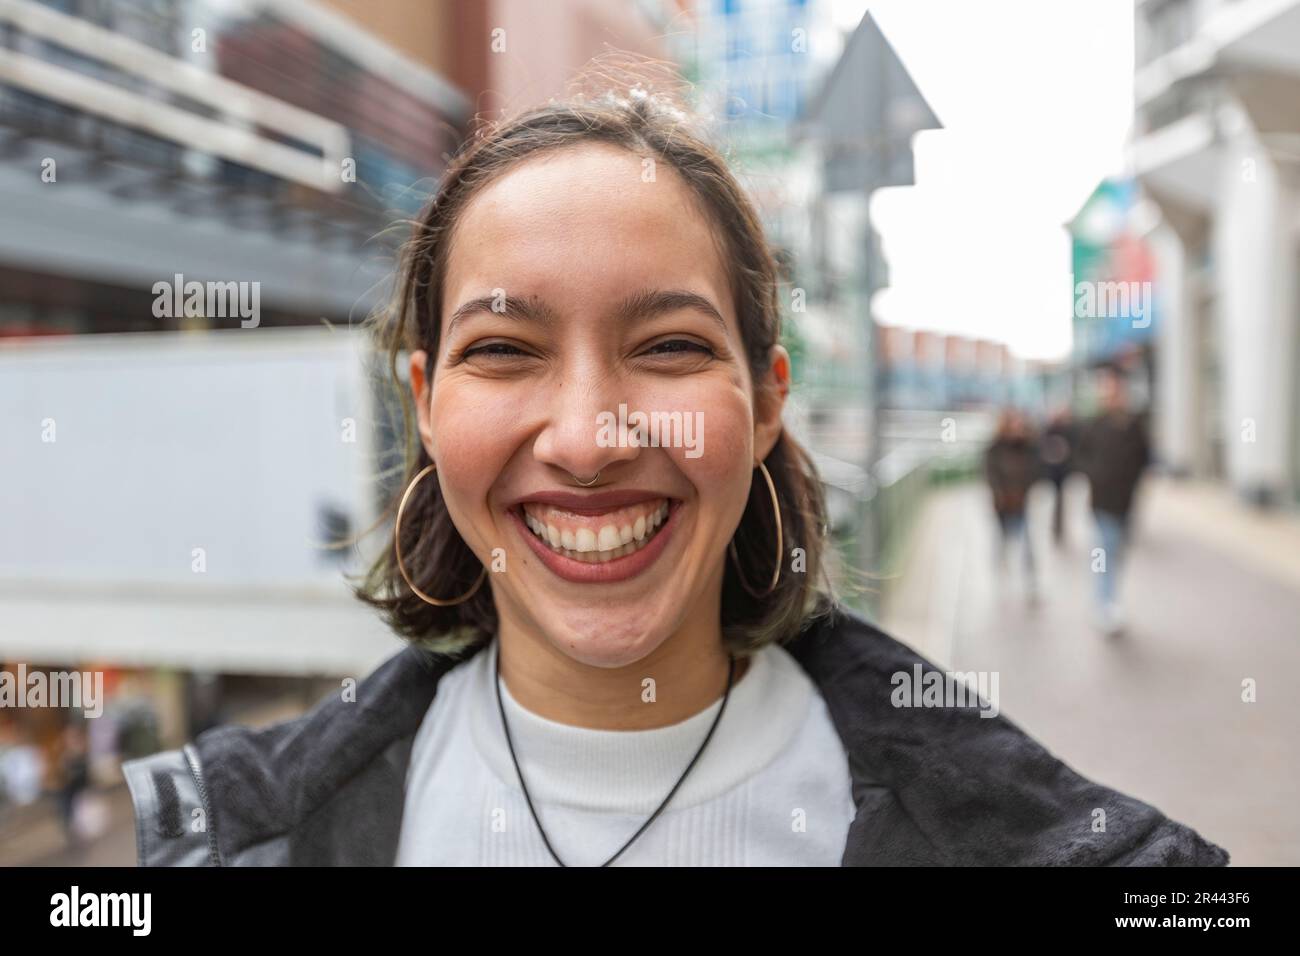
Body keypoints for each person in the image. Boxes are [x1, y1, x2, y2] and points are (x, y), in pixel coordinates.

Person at [122, 83, 1224, 867]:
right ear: (424, 400)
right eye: (503, 349)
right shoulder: (231, 831)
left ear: (766, 401)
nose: (590, 438)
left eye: (668, 346)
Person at [1076, 366, 1151, 636]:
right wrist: (1096, 474)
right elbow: (1080, 457)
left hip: (1126, 502)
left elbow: (1145, 458)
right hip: (1102, 502)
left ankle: (1109, 599)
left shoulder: (1134, 426)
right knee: (1105, 552)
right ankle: (1105, 604)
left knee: (1118, 552)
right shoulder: (1093, 425)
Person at [984, 408, 1039, 603]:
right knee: (1002, 540)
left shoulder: (1027, 446)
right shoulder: (994, 448)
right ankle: (1000, 572)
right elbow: (989, 473)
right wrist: (999, 493)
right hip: (1002, 504)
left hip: (1021, 503)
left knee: (1026, 544)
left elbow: (1036, 470)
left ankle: (1030, 584)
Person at [1038, 407, 1076, 545]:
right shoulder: (1049, 431)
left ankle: (1059, 527)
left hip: (1063, 473)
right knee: (1055, 501)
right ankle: (1055, 527)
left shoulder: (1068, 431)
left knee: (1061, 502)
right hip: (1052, 473)